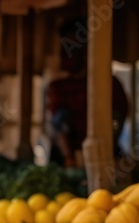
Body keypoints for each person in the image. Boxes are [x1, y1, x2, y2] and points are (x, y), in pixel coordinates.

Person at [45, 18, 130, 168]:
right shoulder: (58, 87)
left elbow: (118, 118)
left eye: (73, 48)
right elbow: (58, 124)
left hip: (104, 155)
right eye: (65, 48)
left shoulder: (109, 84)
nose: (68, 54)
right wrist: (69, 157)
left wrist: (104, 150)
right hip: (67, 159)